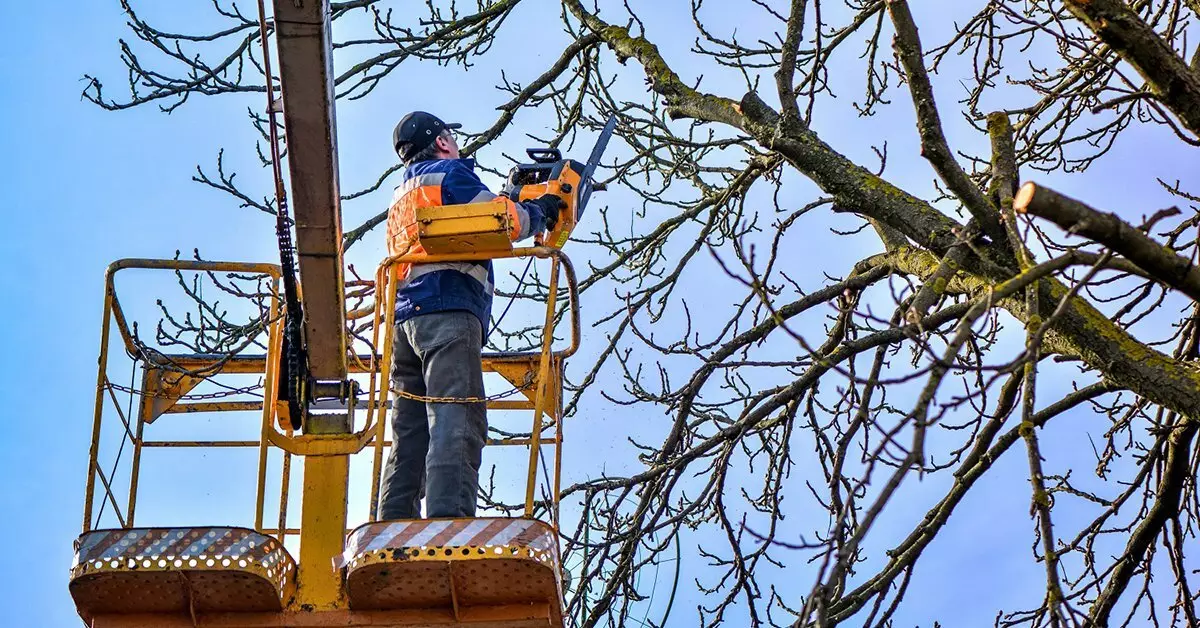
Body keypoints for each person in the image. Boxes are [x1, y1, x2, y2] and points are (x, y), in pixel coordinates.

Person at [377, 111, 564, 520]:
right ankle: (448, 524)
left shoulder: (402, 194)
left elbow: (471, 222)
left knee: (409, 434)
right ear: (443, 141)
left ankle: (391, 526)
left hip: (406, 320)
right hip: (447, 311)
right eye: (452, 137)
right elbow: (504, 221)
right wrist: (543, 209)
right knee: (456, 416)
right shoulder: (449, 175)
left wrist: (509, 198)